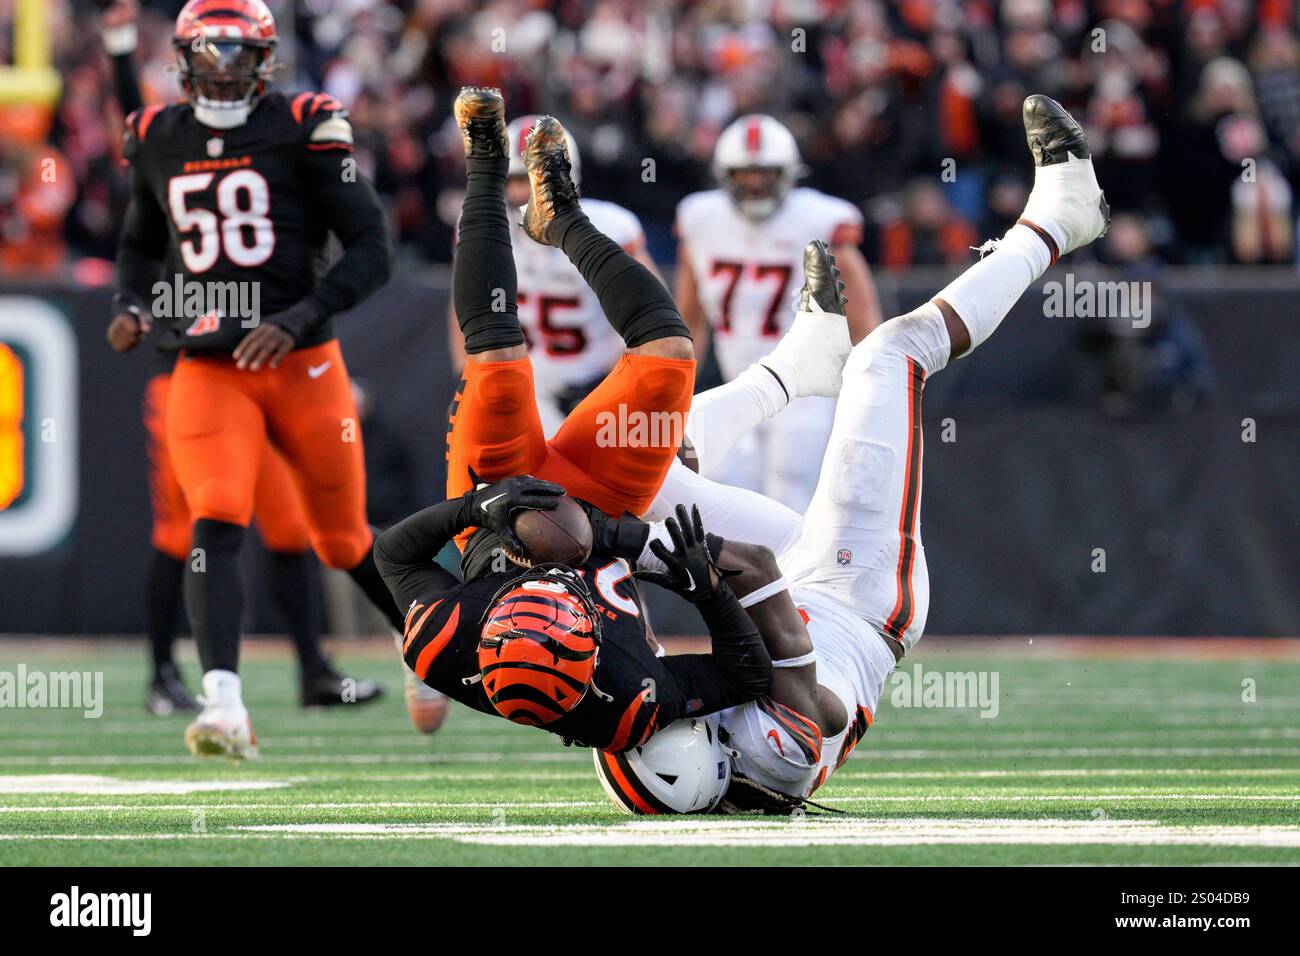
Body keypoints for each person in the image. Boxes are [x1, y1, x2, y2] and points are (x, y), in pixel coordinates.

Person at [595, 95, 1111, 813]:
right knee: (889, 355)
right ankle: (1059, 219)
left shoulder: (725, 752)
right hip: (859, 591)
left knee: (630, 476)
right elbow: (759, 586)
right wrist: (651, 562)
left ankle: (796, 368)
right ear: (688, 759)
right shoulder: (778, 754)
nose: (664, 709)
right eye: (661, 725)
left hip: (807, 585)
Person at [375, 88, 840, 751]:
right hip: (601, 522)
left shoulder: (444, 639)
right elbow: (744, 670)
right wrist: (704, 591)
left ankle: (485, 161)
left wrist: (481, 506)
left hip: (501, 506)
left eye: (533, 593)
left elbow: (393, 553)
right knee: (669, 359)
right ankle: (566, 220)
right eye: (572, 604)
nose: (556, 587)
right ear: (594, 646)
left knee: (500, 364)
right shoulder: (629, 695)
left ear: (497, 614)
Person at [110, 0, 403, 759]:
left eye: (237, 52)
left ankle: (434, 652)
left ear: (264, 57)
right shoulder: (154, 134)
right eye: (207, 52)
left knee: (340, 538)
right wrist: (130, 303)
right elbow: (141, 245)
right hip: (208, 363)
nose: (221, 66)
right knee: (215, 515)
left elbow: (373, 248)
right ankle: (223, 702)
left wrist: (302, 316)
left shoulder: (306, 122)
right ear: (182, 56)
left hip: (301, 360)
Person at [674, 114, 883, 512]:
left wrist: (866, 394)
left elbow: (865, 322)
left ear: (788, 174)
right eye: (744, 174)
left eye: (766, 174)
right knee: (730, 495)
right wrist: (674, 389)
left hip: (805, 388)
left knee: (791, 492)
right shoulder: (700, 219)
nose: (754, 184)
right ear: (724, 176)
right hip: (738, 383)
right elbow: (690, 319)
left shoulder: (821, 219)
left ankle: (796, 577)